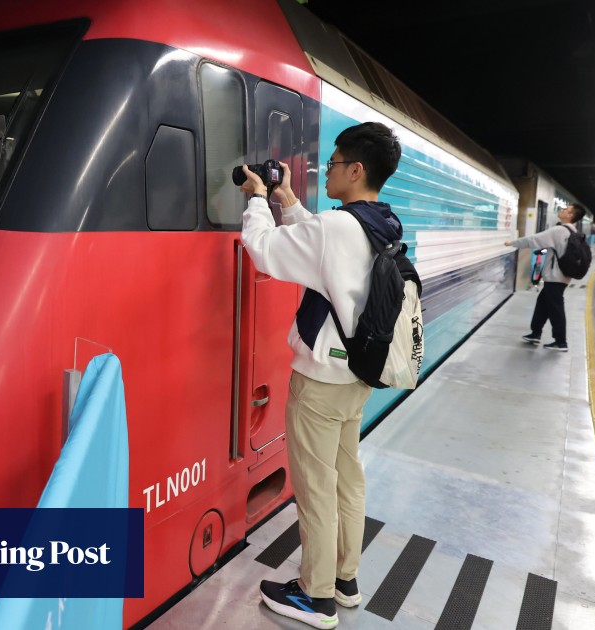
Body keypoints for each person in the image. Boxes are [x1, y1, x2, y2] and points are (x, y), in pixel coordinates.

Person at [238, 122, 402, 629]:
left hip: (320, 383)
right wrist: (287, 199)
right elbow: (323, 243)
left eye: (333, 164)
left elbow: (264, 250)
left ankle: (316, 596)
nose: (327, 171)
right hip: (355, 377)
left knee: (315, 487)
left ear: (355, 170)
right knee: (347, 479)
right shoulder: (379, 222)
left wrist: (256, 200)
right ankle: (346, 581)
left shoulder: (338, 228)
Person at [504, 204, 587, 352]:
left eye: (566, 210)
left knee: (556, 309)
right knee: (543, 303)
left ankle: (561, 342)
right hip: (561, 276)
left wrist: (512, 243)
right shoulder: (573, 231)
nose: (562, 210)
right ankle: (535, 333)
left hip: (555, 276)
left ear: (570, 216)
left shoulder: (559, 230)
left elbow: (533, 240)